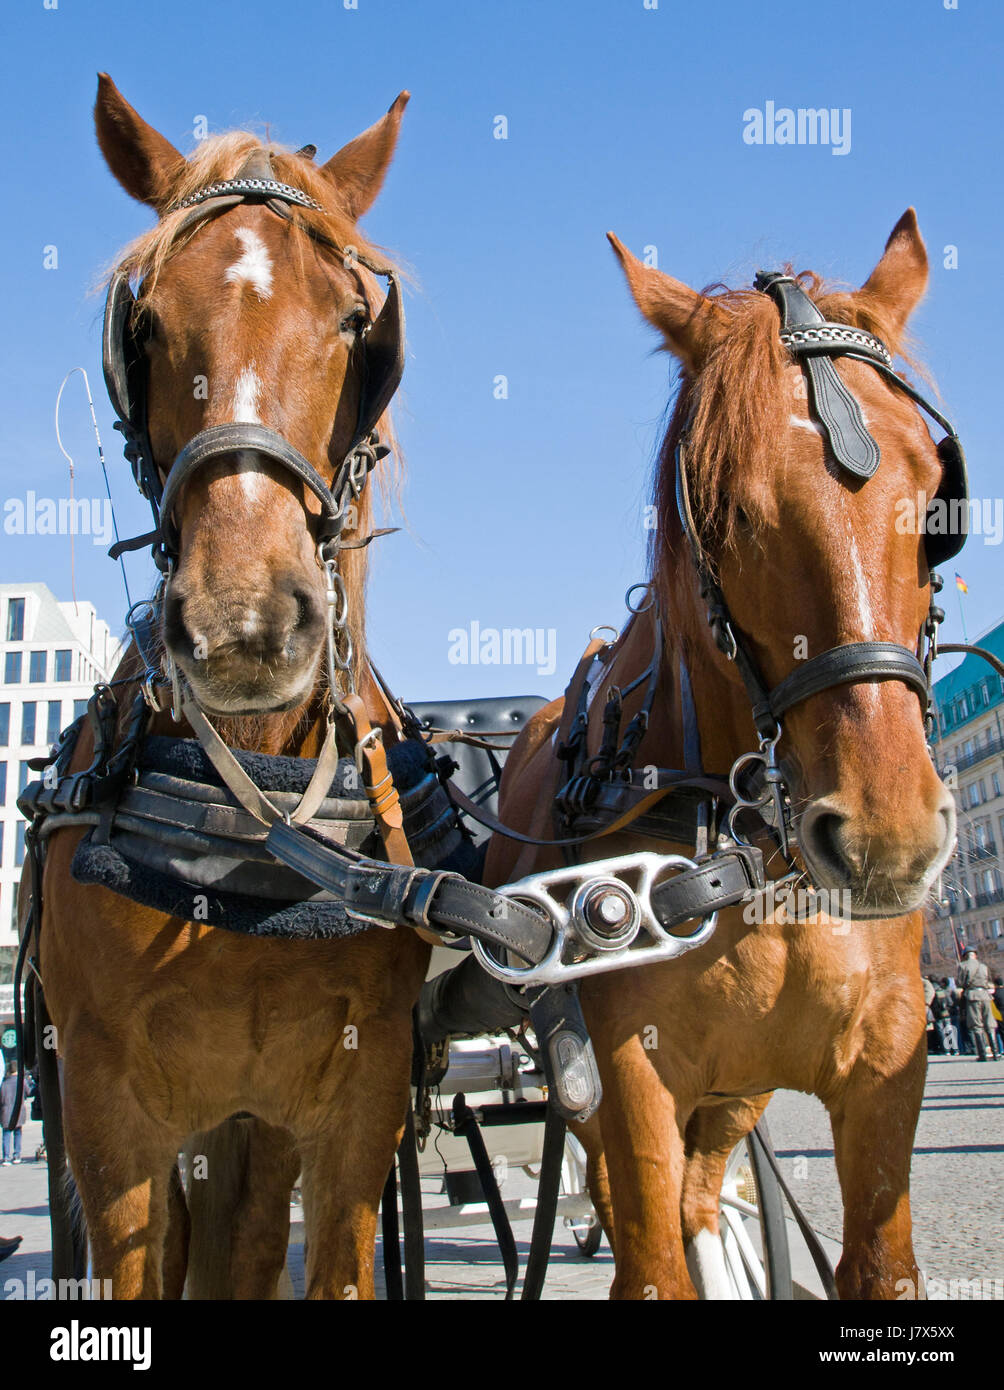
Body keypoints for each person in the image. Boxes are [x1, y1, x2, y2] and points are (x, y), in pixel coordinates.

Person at [956, 949, 999, 1062]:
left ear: (965, 956)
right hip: (985, 995)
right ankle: (995, 1053)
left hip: (972, 995)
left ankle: (982, 1054)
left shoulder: (962, 965)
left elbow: (960, 982)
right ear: (975, 955)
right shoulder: (983, 966)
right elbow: (988, 981)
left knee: (976, 1025)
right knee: (990, 1024)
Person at [0, 1061, 28, 1164]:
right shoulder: (21, 1081)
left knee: (6, 1135)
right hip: (18, 1112)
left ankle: (6, 1157)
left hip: (5, 1112)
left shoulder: (4, 1082)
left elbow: (1, 1098)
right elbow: (28, 1092)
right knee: (18, 1133)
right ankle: (17, 1155)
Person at [933, 978, 959, 1055]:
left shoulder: (934, 992)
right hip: (946, 1014)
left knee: (941, 1033)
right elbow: (950, 1003)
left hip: (938, 1015)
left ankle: (946, 1050)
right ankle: (955, 1050)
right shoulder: (945, 992)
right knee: (949, 1031)